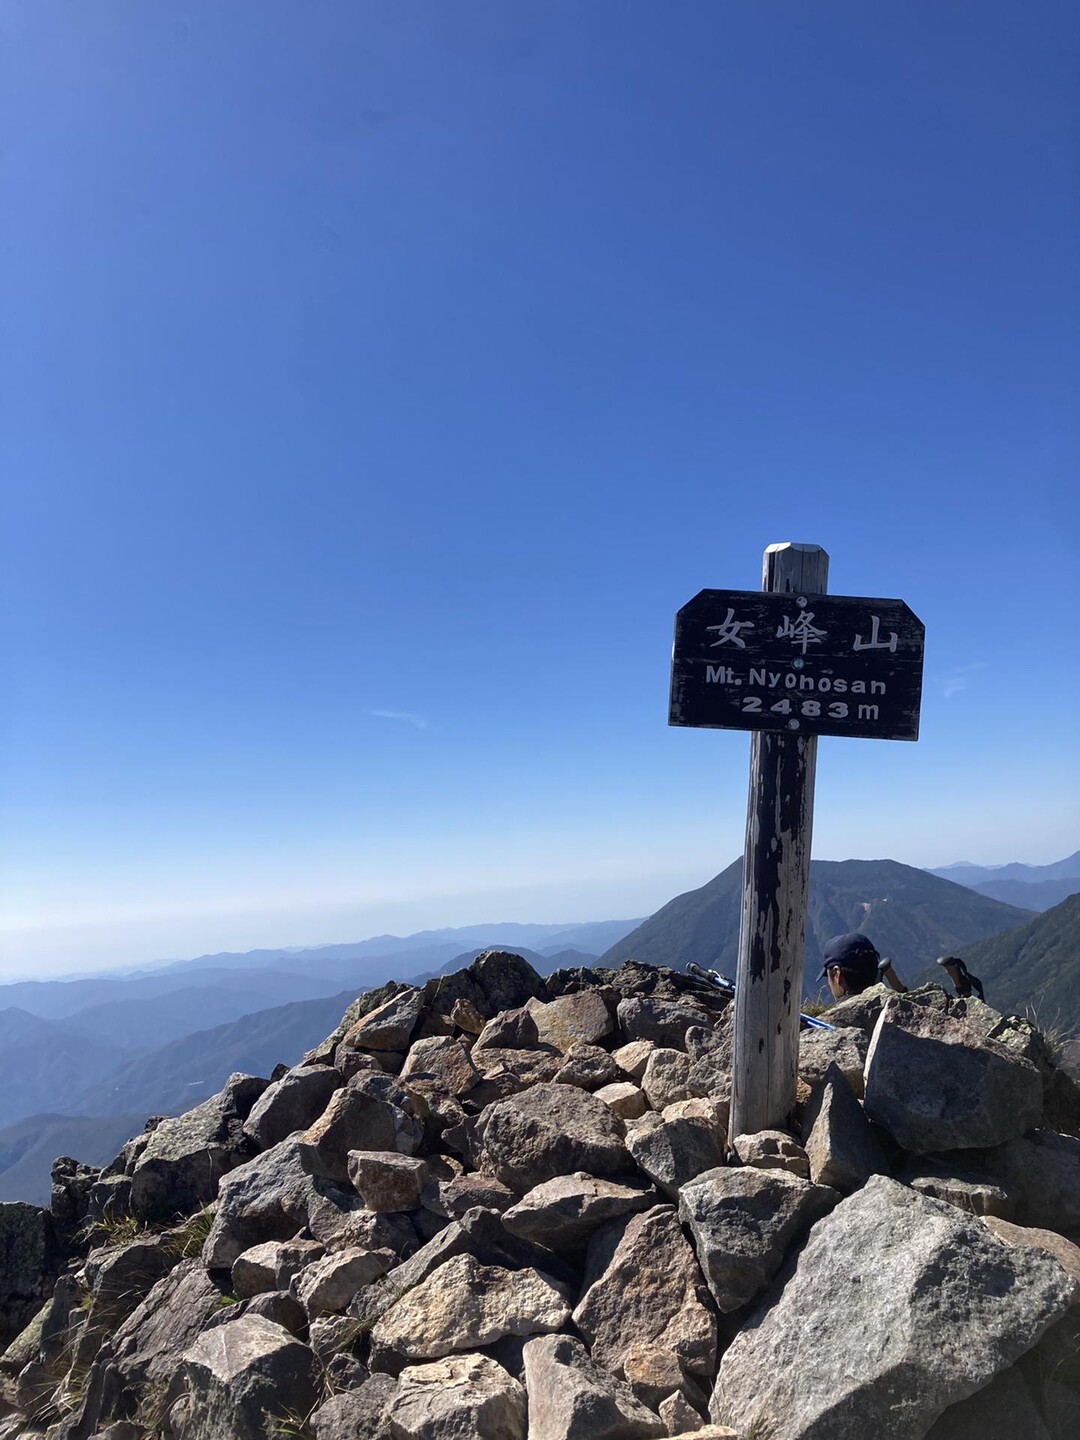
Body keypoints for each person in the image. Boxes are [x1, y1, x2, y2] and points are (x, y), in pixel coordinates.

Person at [818, 932, 881, 999]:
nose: (829, 984)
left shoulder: (843, 1009)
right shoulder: (890, 1003)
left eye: (828, 976)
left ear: (837, 973)